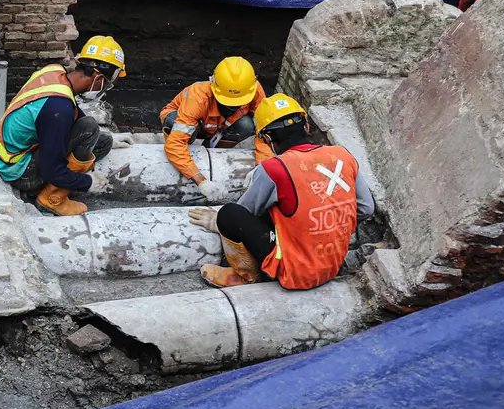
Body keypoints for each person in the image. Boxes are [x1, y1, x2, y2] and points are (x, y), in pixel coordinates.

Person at [187, 94, 374, 290]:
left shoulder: (275, 168)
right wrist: (328, 227)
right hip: (332, 264)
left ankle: (247, 276)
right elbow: (366, 208)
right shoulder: (342, 155)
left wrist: (216, 222)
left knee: (229, 214)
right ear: (307, 126)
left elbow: (245, 212)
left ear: (267, 138)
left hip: (295, 272)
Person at [0, 36, 126, 216]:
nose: (104, 89)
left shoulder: (54, 72)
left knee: (102, 142)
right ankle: (52, 199)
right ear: (98, 78)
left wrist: (110, 139)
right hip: (20, 172)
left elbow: (75, 115)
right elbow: (51, 171)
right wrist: (87, 182)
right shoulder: (59, 109)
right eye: (106, 85)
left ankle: (59, 185)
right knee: (90, 128)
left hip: (13, 152)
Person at [159, 57, 273, 203]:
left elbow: (263, 131)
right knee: (178, 126)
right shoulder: (198, 96)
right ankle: (185, 159)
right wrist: (201, 181)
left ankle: (212, 151)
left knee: (246, 125)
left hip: (220, 126)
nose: (233, 106)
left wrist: (261, 168)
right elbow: (174, 144)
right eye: (227, 101)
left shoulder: (254, 89)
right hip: (192, 123)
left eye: (238, 102)